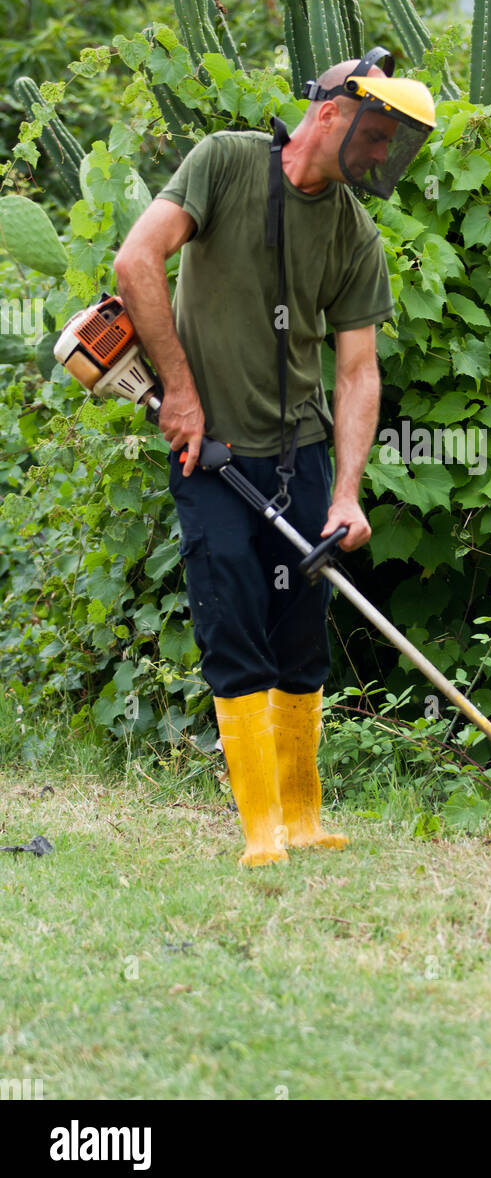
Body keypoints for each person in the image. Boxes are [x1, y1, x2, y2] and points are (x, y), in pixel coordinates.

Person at [113, 48, 436, 867]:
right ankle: (261, 831)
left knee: (301, 634)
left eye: (392, 145)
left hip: (301, 457)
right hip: (209, 453)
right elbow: (135, 261)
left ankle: (304, 816)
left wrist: (350, 495)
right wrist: (180, 395)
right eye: (374, 137)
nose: (378, 156)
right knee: (232, 622)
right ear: (330, 112)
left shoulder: (355, 233)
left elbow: (358, 370)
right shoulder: (222, 163)